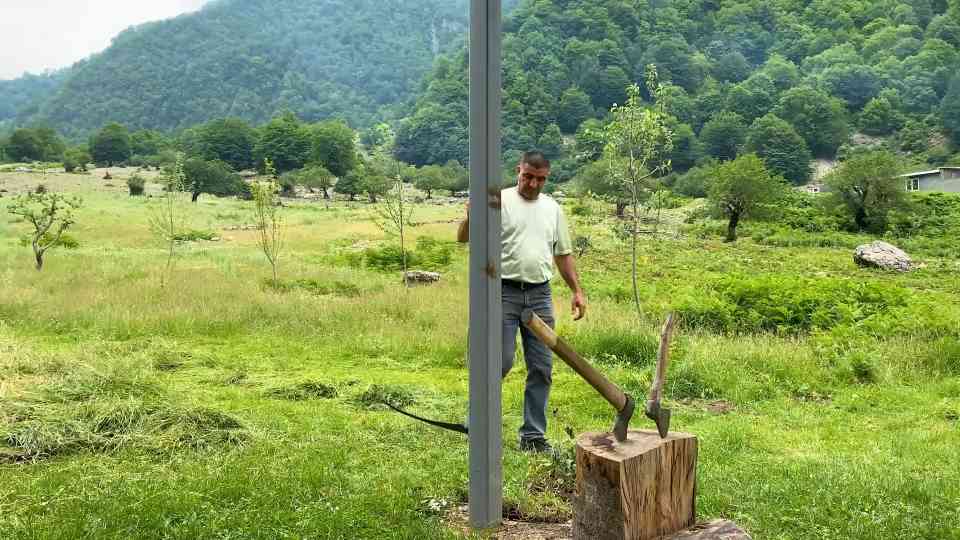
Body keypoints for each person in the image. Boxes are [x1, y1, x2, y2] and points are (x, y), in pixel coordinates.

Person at [458, 150, 587, 453]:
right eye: (528, 176)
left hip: (540, 295)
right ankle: (477, 423)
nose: (532, 183)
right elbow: (464, 237)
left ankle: (533, 437)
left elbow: (563, 254)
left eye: (540, 179)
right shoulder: (497, 200)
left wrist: (577, 291)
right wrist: (469, 215)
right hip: (502, 292)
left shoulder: (552, 208)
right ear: (518, 170)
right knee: (499, 362)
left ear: (547, 178)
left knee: (542, 366)